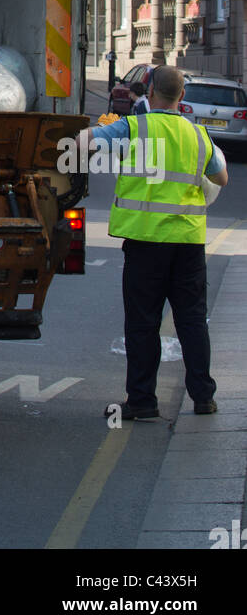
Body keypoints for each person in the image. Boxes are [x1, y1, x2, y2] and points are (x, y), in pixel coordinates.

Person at [83, 65, 227, 420]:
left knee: (143, 323)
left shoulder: (134, 127)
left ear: (149, 91)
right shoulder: (198, 135)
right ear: (182, 97)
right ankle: (203, 397)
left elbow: (86, 143)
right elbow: (220, 176)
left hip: (146, 243)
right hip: (188, 244)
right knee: (192, 320)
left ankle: (143, 401)